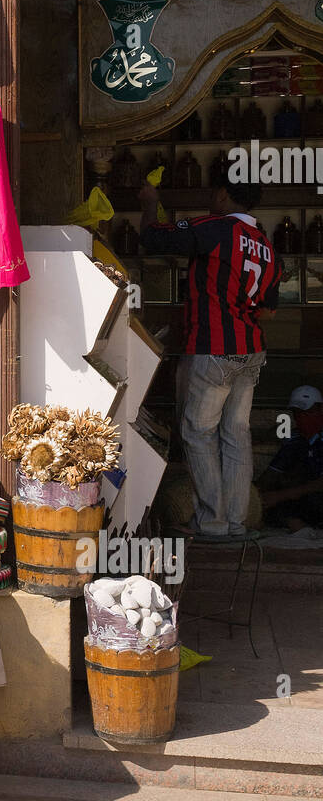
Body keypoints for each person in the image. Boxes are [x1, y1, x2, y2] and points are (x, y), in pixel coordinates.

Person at [139, 173, 280, 541]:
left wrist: (149, 201)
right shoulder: (266, 244)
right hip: (250, 351)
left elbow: (155, 238)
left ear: (223, 195)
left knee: (198, 433)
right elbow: (270, 309)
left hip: (214, 349)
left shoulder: (215, 228)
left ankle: (212, 523)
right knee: (236, 434)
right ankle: (236, 523)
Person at [258, 385, 323, 538]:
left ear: (321, 411)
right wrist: (255, 495)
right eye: (298, 413)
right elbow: (273, 473)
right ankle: (296, 524)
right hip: (301, 499)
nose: (302, 418)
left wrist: (282, 495)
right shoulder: (294, 440)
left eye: (308, 413)